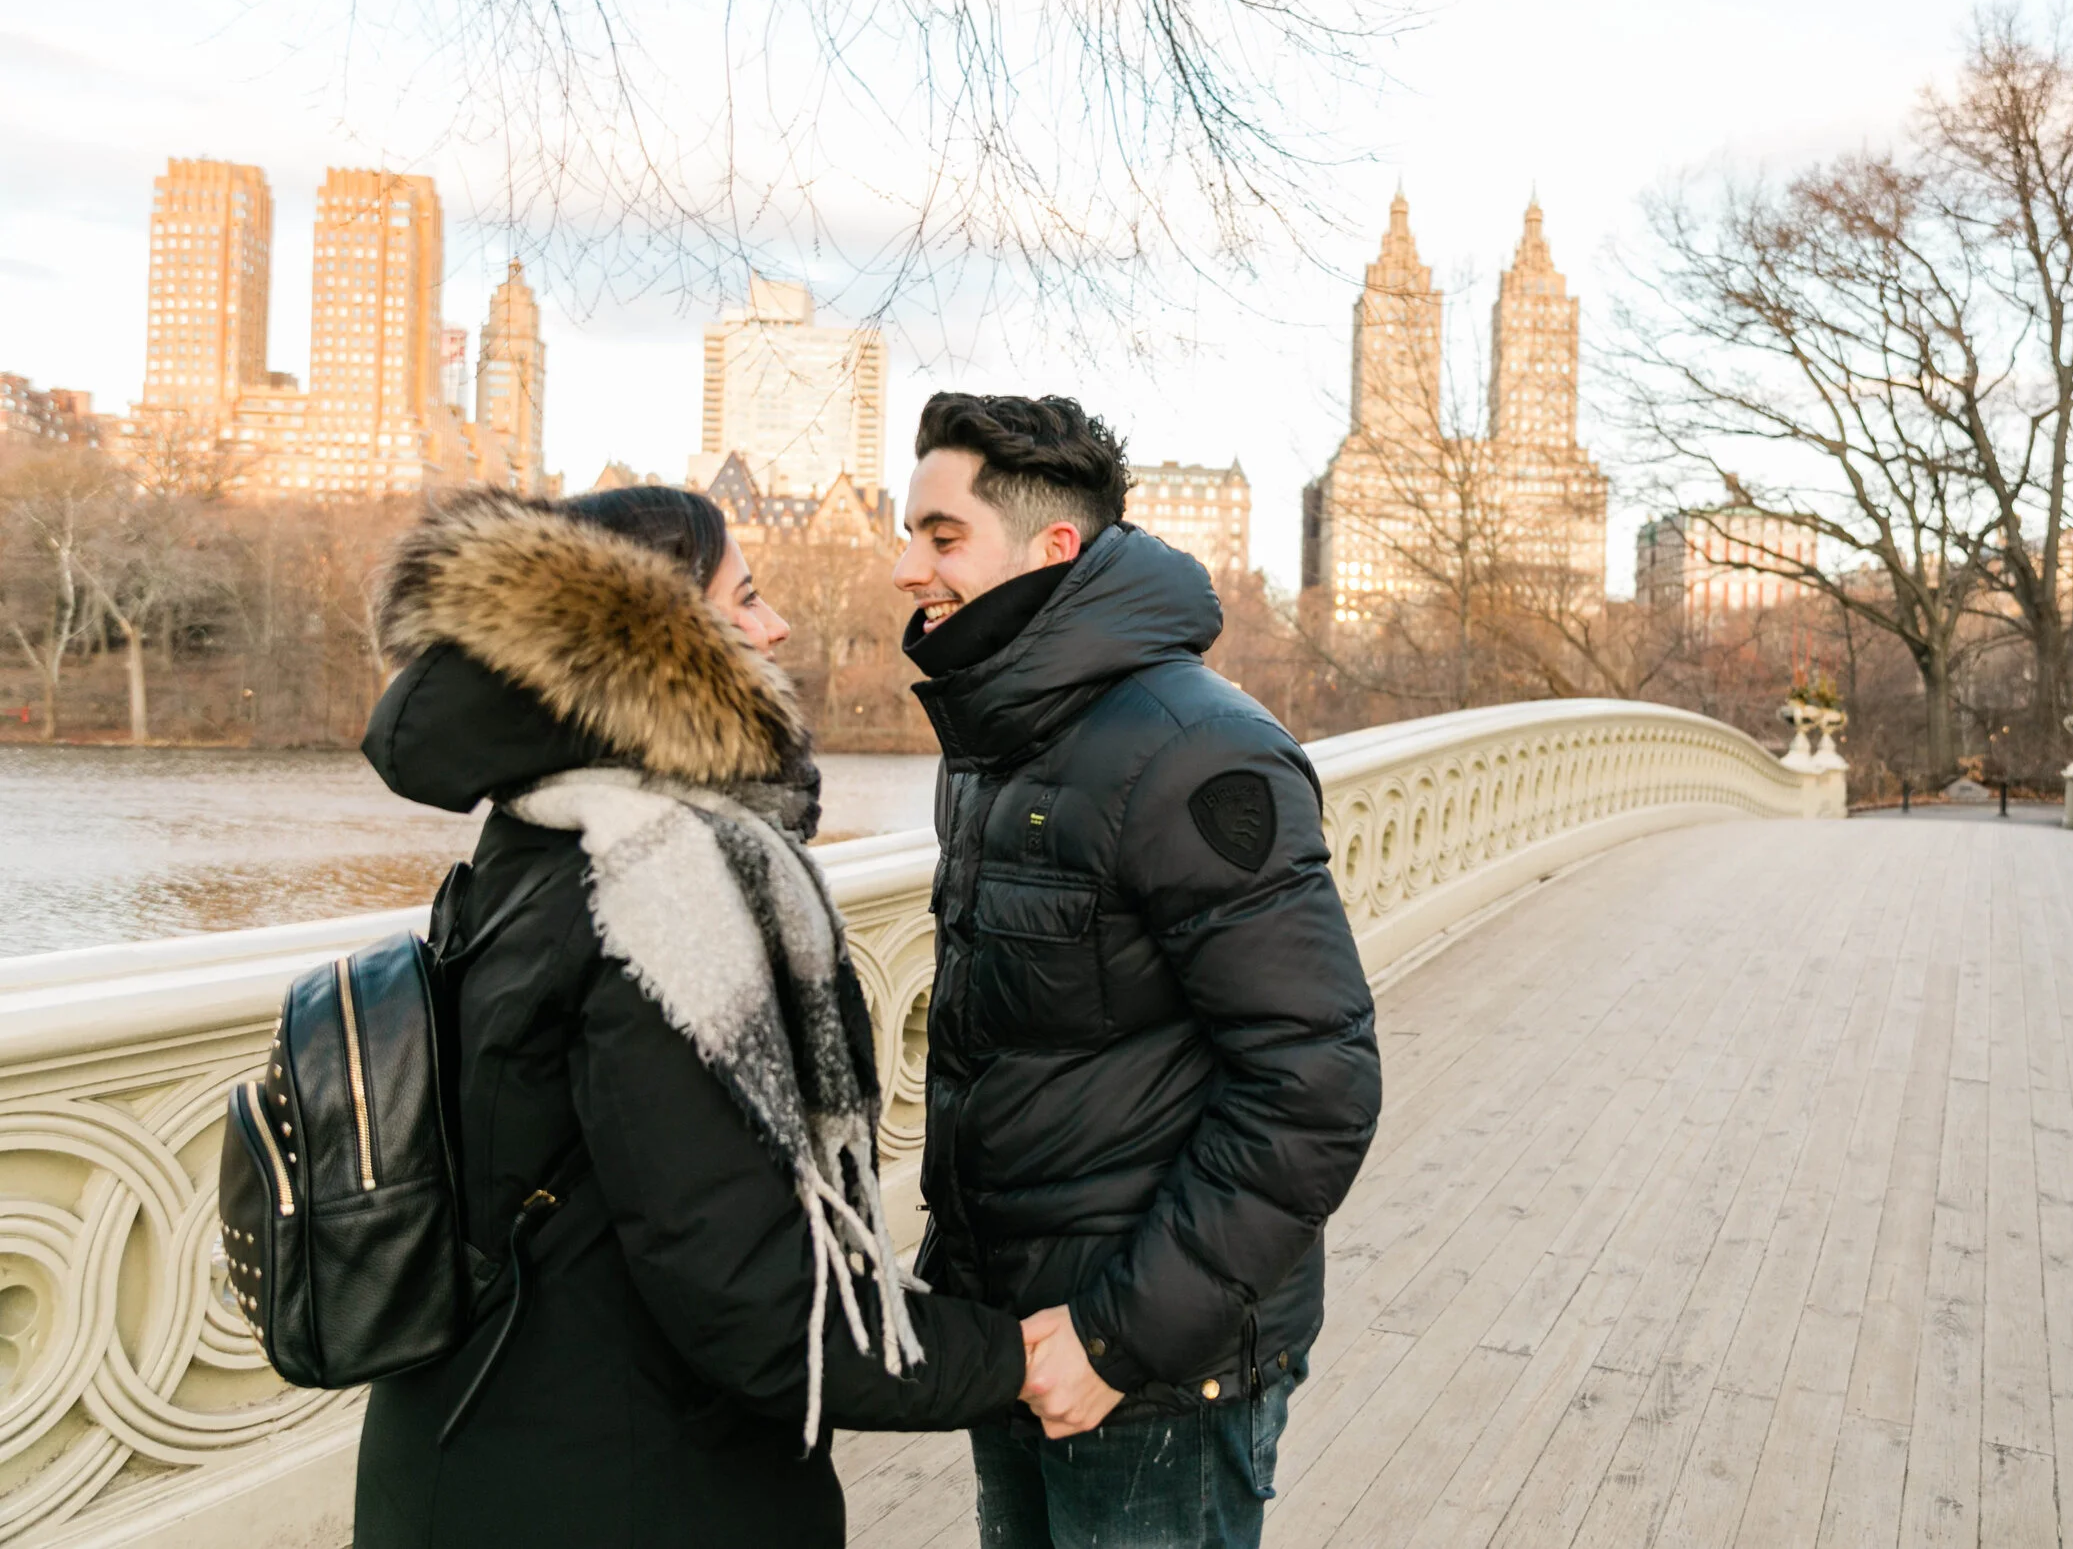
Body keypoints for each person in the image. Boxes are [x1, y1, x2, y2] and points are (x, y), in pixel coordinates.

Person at [354, 485, 1027, 1547]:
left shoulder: (531, 841)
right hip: (621, 1490)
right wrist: (1025, 1360)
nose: (777, 628)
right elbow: (750, 1295)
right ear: (658, 643)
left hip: (466, 1446)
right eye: (745, 599)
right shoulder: (662, 883)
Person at [892, 394, 1382, 1547]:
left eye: (941, 534)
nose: (907, 564)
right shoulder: (996, 742)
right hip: (1013, 1330)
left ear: (1050, 547)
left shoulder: (1197, 751)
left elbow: (1315, 1087)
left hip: (1154, 1368)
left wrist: (1115, 1339)